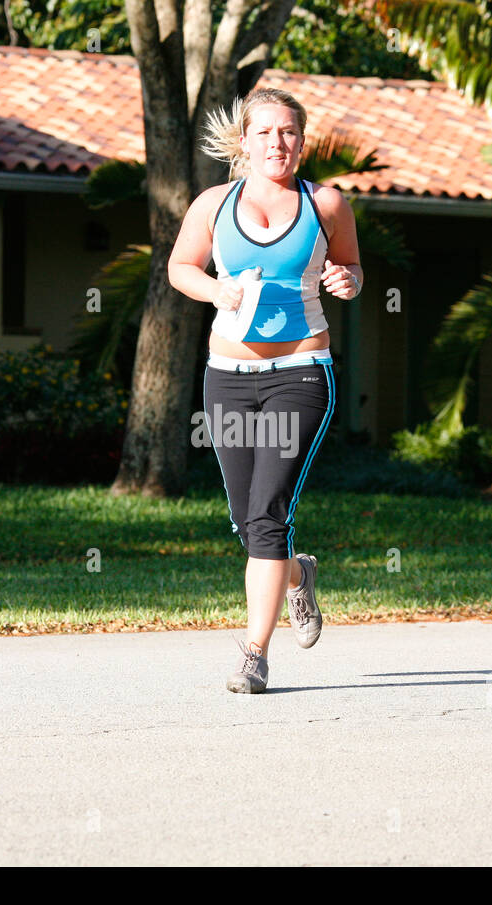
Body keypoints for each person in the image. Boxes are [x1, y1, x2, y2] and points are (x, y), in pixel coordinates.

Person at [167, 88, 363, 693]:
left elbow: (353, 269)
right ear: (245, 141)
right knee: (245, 518)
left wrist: (346, 280)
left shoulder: (326, 204)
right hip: (226, 380)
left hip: (300, 374)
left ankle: (254, 654)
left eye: (289, 133)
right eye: (266, 132)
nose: (277, 143)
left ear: (302, 143)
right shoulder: (213, 204)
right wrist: (215, 292)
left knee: (267, 513)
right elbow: (182, 269)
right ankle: (298, 575)